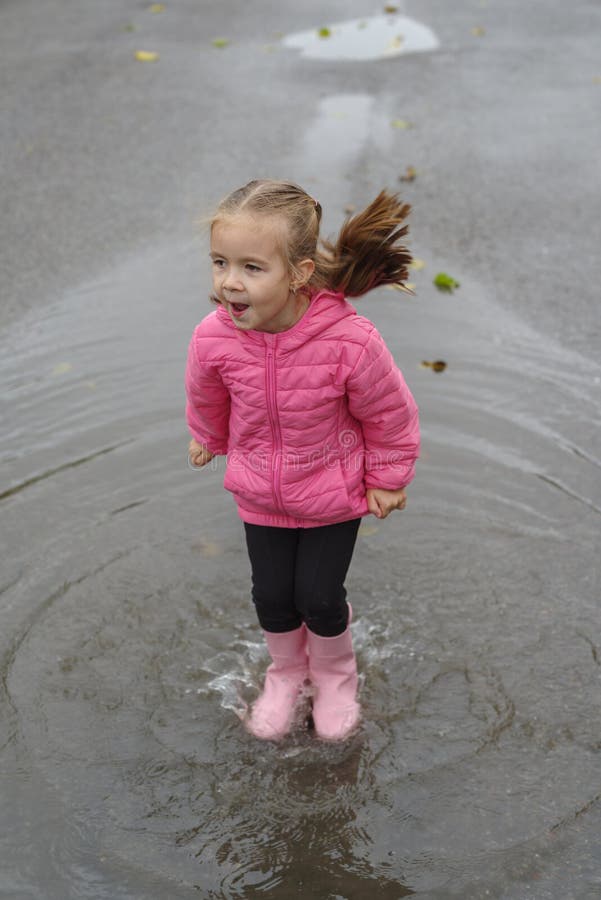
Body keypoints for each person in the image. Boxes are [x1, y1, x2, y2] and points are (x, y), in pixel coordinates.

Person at [185, 179, 420, 742]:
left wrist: (387, 477)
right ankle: (286, 672)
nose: (230, 282)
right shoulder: (213, 338)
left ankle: (336, 673)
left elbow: (389, 412)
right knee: (271, 594)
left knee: (317, 596)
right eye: (220, 262)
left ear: (298, 273)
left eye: (251, 267)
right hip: (260, 493)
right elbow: (207, 394)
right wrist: (208, 437)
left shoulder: (350, 340)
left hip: (333, 493)